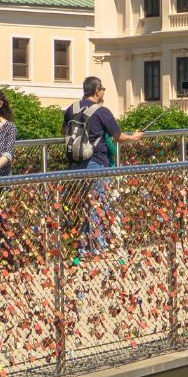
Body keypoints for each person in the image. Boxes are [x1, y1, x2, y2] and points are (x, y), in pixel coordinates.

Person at [63, 76, 145, 253]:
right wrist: (135, 137)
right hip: (96, 163)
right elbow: (118, 137)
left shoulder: (71, 109)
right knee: (99, 204)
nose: (103, 93)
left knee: (85, 205)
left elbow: (64, 131)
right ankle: (96, 246)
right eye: (103, 89)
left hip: (75, 164)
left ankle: (84, 247)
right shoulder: (102, 111)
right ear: (97, 90)